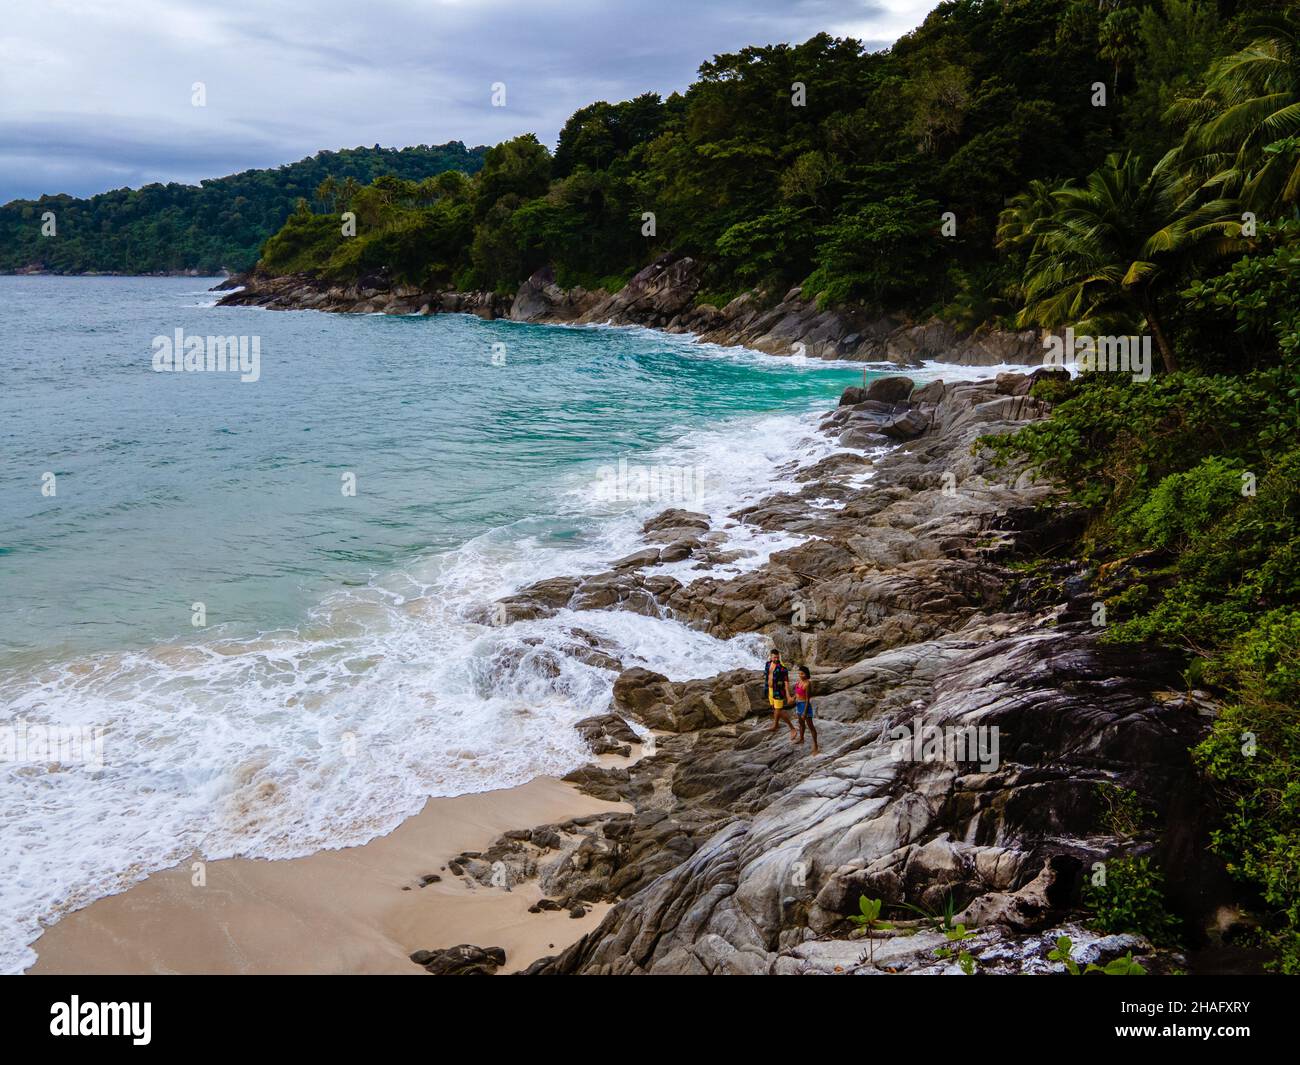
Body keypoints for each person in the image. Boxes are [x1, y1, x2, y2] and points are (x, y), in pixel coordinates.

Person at [764, 649, 798, 739]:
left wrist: (788, 695)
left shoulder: (782, 668)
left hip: (778, 691)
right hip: (770, 689)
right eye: (774, 657)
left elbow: (786, 682)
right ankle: (776, 725)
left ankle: (792, 728)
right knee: (775, 708)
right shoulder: (767, 664)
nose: (776, 659)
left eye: (777, 657)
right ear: (771, 656)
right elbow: (767, 677)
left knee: (779, 711)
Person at [793, 666, 819, 754]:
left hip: (805, 706)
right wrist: (792, 698)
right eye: (799, 673)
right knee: (801, 724)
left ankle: (816, 745)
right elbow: (796, 693)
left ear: (806, 674)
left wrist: (804, 712)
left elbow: (808, 699)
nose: (800, 675)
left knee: (810, 726)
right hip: (798, 705)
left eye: (802, 674)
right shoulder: (799, 682)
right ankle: (801, 738)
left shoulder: (807, 684)